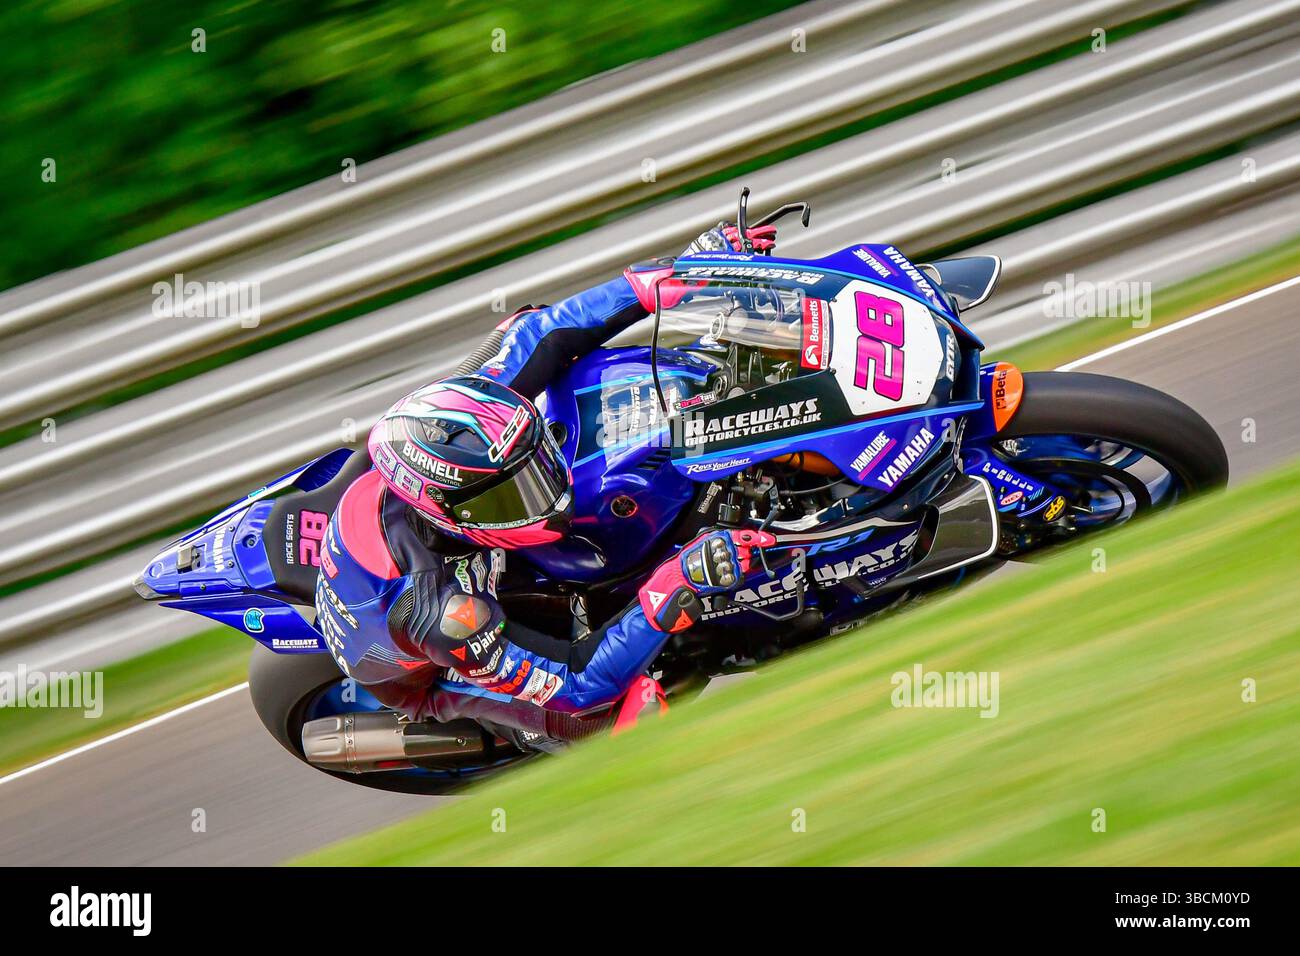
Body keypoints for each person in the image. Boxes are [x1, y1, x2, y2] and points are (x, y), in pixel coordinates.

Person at [313, 221, 778, 750]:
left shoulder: (465, 415)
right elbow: (577, 683)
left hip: (410, 535)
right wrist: (674, 583)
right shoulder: (444, 612)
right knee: (603, 717)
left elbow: (540, 334)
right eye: (512, 495)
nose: (547, 498)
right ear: (451, 512)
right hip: (420, 655)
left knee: (521, 321)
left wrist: (653, 285)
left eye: (530, 472)